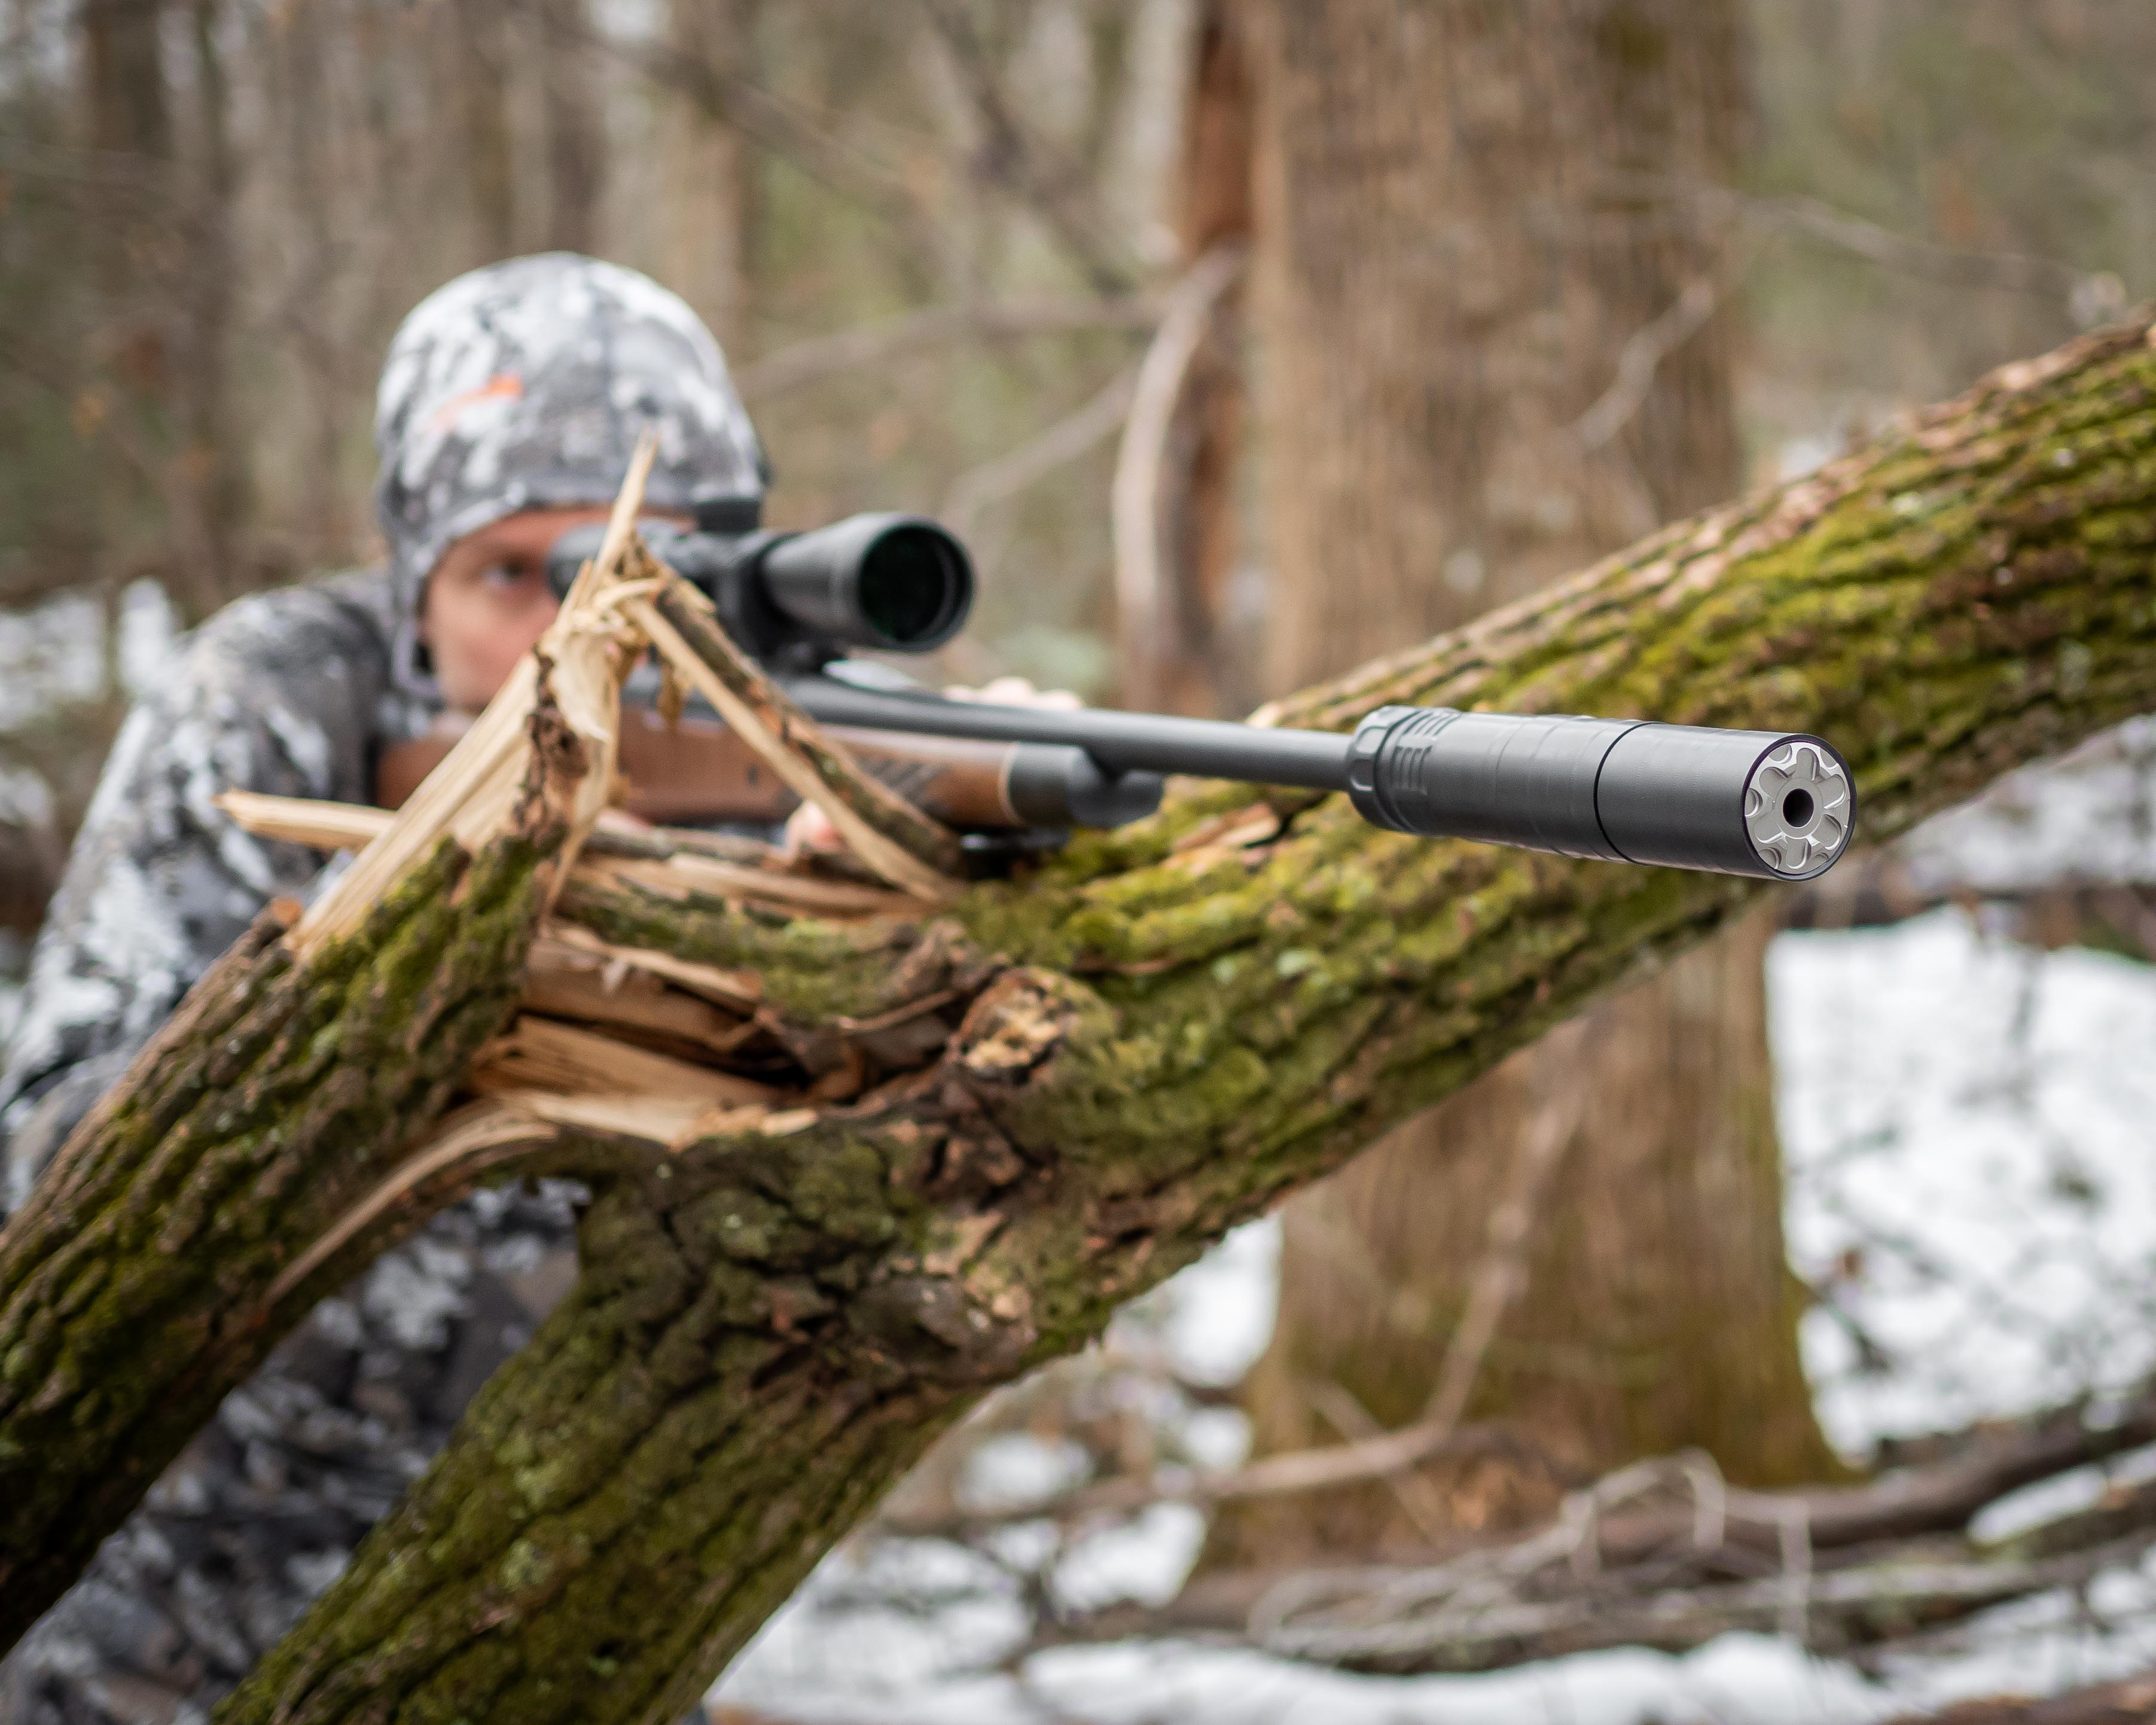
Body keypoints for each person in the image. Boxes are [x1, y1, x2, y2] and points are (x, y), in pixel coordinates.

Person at [0, 253, 768, 1724]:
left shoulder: (761, 753)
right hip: (158, 1634)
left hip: (558, 1627)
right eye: (512, 576)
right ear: (408, 578)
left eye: (644, 577)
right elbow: (60, 1168)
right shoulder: (278, 704)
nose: (573, 642)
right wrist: (460, 917)